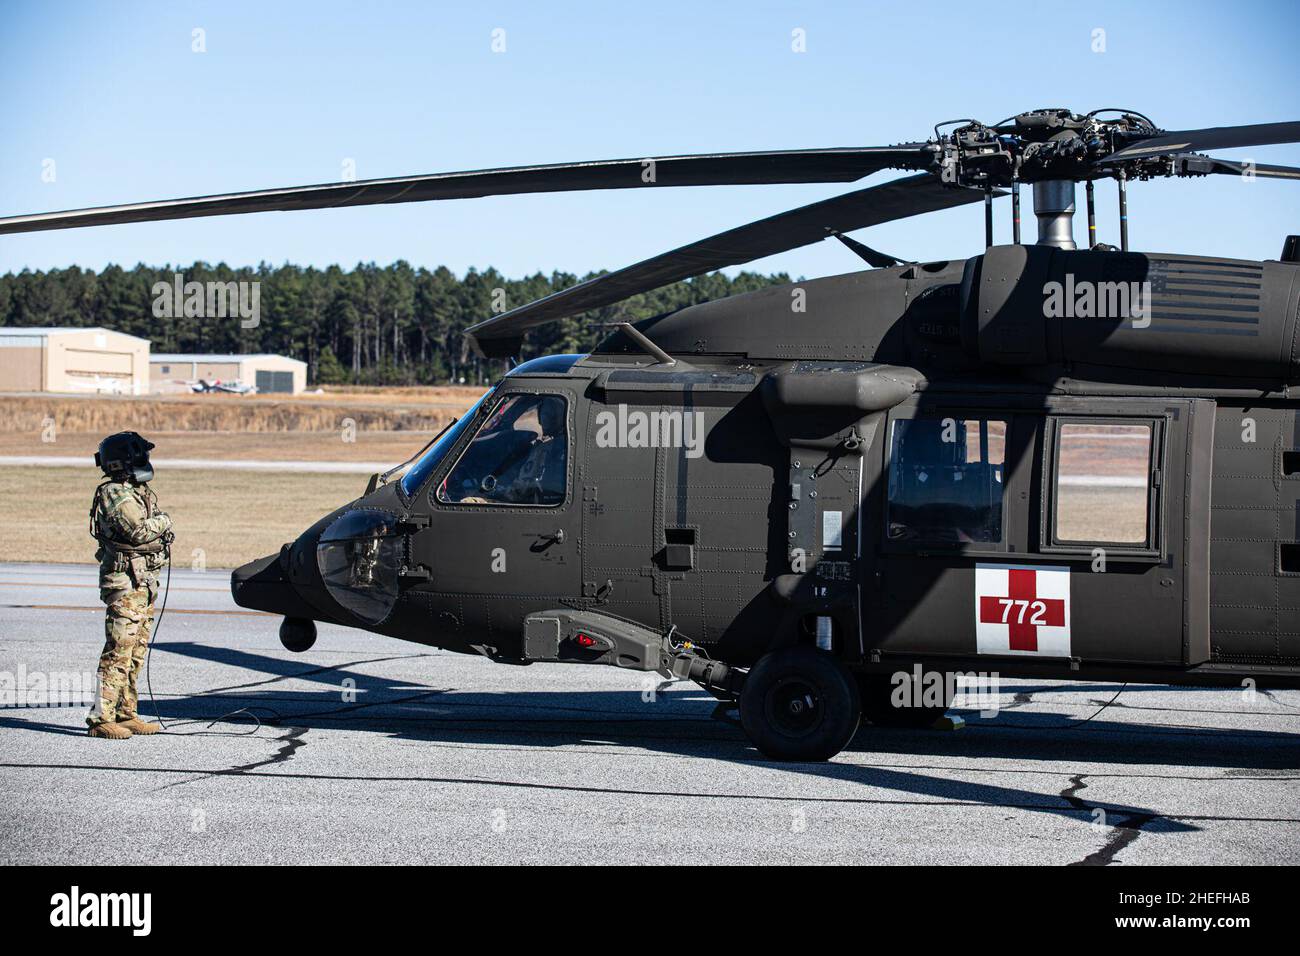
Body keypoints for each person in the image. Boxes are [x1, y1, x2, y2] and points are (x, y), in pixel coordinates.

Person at [86, 432, 173, 739]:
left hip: (144, 582)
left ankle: (126, 713)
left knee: (136, 651)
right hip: (125, 584)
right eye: (140, 456)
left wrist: (159, 525)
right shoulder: (114, 494)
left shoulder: (136, 491)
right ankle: (100, 719)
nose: (145, 461)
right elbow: (137, 530)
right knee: (118, 651)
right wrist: (164, 522)